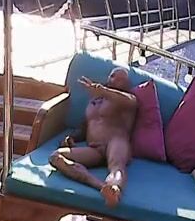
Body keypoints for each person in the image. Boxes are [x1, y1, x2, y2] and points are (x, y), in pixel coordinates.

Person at [49, 68, 137, 207]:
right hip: (94, 150)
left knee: (117, 167)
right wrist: (72, 138)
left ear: (127, 84)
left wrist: (103, 91)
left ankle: (114, 189)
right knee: (56, 157)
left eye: (121, 79)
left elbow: (128, 100)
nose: (115, 80)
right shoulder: (94, 100)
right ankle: (101, 187)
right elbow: (85, 127)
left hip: (116, 142)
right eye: (113, 76)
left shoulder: (128, 100)